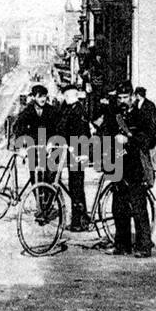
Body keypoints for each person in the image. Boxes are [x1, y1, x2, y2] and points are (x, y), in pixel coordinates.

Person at [108, 82, 156, 257]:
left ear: (132, 97)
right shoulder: (114, 115)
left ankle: (144, 246)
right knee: (119, 207)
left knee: (138, 207)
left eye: (125, 97)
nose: (122, 101)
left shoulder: (141, 114)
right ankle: (122, 245)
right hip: (118, 165)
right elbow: (105, 133)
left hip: (135, 166)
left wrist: (129, 140)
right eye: (119, 98)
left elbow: (149, 139)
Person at [58, 84, 92, 231]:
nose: (66, 98)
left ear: (75, 96)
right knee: (74, 186)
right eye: (65, 96)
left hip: (78, 152)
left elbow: (84, 133)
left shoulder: (79, 110)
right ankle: (80, 218)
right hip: (71, 152)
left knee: (77, 186)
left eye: (68, 95)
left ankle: (78, 222)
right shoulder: (68, 109)